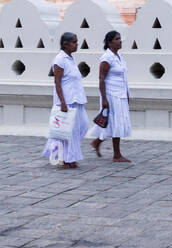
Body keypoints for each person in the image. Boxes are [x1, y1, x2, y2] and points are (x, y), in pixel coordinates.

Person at [43, 32, 88, 169]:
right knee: (68, 132)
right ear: (65, 44)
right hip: (66, 101)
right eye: (74, 42)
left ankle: (69, 156)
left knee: (82, 127)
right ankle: (65, 159)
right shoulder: (60, 60)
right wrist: (62, 102)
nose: (77, 44)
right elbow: (57, 82)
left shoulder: (71, 59)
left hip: (77, 100)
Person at [91, 31, 132, 162]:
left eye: (120, 38)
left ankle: (97, 142)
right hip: (111, 94)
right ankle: (117, 154)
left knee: (116, 123)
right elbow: (101, 78)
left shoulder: (119, 56)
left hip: (121, 94)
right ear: (110, 42)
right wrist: (104, 99)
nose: (120, 41)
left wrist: (127, 93)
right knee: (116, 122)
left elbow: (123, 77)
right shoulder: (106, 58)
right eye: (117, 39)